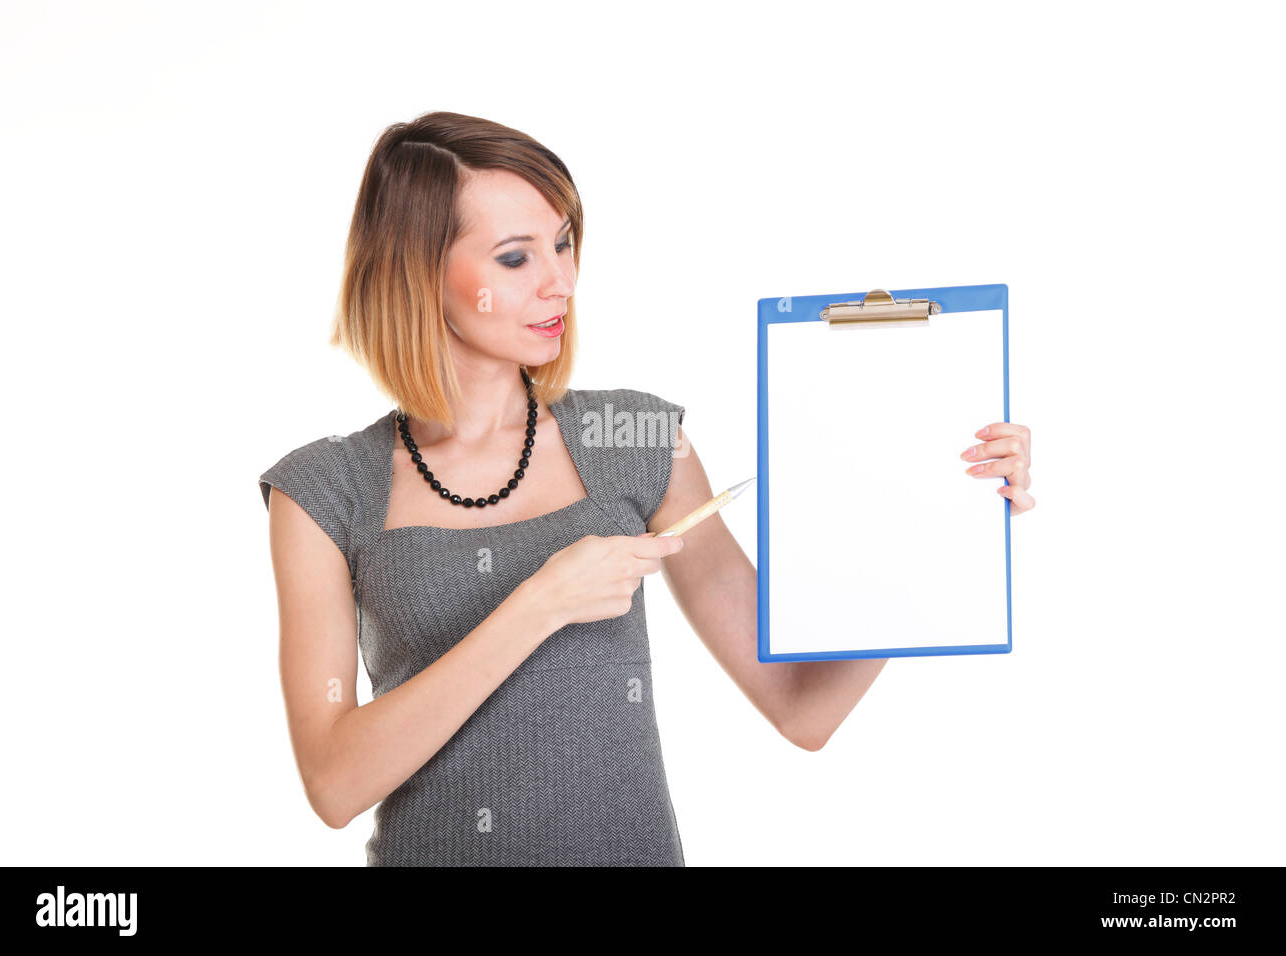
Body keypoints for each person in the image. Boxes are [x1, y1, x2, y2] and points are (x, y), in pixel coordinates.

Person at [258, 111, 1036, 866]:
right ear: (417, 270)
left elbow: (803, 707)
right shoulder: (325, 490)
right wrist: (539, 604)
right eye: (516, 258)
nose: (561, 280)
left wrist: (932, 512)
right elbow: (334, 782)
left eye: (564, 244)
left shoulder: (634, 439)